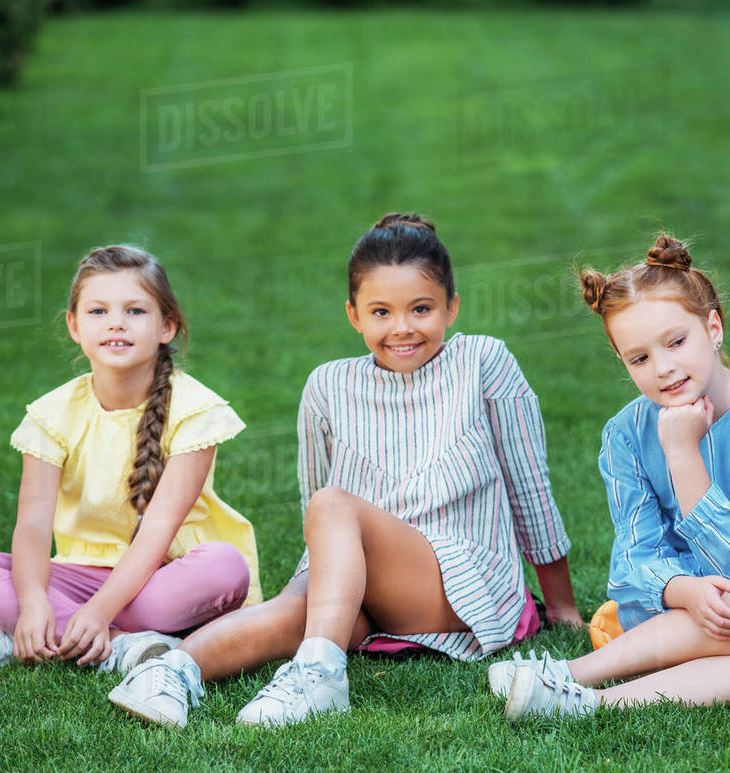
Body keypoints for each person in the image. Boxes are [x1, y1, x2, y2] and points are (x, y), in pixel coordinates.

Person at [109, 213, 582, 728]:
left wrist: (560, 606)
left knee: (332, 503)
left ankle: (319, 676)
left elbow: (529, 485)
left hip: (461, 582)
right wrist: (303, 595)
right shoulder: (327, 387)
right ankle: (173, 673)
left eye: (421, 309)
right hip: (359, 578)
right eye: (381, 312)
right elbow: (320, 520)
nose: (401, 328)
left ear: (452, 307)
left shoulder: (484, 361)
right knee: (301, 603)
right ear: (354, 315)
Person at [490, 234, 730, 720]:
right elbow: (634, 558)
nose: (664, 369)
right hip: (692, 609)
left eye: (676, 342)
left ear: (713, 327)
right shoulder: (626, 434)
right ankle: (571, 673)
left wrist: (683, 452)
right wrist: (684, 591)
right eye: (640, 358)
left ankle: (591, 702)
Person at [0, 245, 259, 675]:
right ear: (74, 326)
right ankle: (118, 644)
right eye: (98, 311)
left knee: (225, 567)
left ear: (166, 326)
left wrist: (98, 611)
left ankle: (47, 632)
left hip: (163, 576)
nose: (116, 322)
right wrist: (35, 598)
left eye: (135, 310)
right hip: (77, 573)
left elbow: (156, 532)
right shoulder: (52, 414)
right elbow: (33, 526)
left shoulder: (194, 410)